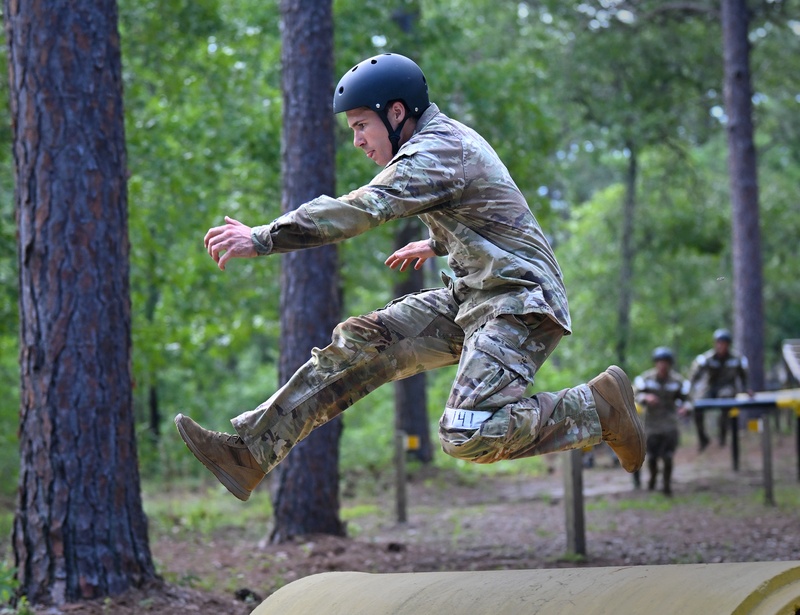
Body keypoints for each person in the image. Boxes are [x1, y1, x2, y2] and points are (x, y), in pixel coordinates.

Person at [174, 52, 645, 501]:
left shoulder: (436, 150)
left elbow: (359, 211)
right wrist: (441, 241)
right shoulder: (438, 143)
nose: (358, 140)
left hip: (519, 303)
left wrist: (262, 237)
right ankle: (250, 452)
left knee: (466, 434)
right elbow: (490, 210)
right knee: (363, 340)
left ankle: (597, 408)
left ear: (396, 112)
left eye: (362, 125)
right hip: (475, 297)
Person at [632, 347, 691, 496]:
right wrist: (646, 398)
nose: (662, 365)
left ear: (670, 364)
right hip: (652, 425)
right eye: (660, 362)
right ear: (655, 363)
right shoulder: (646, 379)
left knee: (668, 456)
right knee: (651, 457)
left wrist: (686, 408)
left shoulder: (677, 381)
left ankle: (666, 485)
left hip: (669, 424)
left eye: (665, 362)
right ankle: (652, 479)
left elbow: (688, 400)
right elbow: (635, 394)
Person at [688, 328, 750, 451]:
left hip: (727, 387)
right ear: (715, 344)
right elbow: (695, 374)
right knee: (697, 405)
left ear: (728, 344)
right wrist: (689, 391)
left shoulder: (736, 359)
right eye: (719, 342)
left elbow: (744, 376)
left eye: (724, 343)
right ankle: (703, 439)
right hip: (710, 388)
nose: (721, 346)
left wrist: (746, 389)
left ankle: (722, 434)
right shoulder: (707, 358)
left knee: (725, 399)